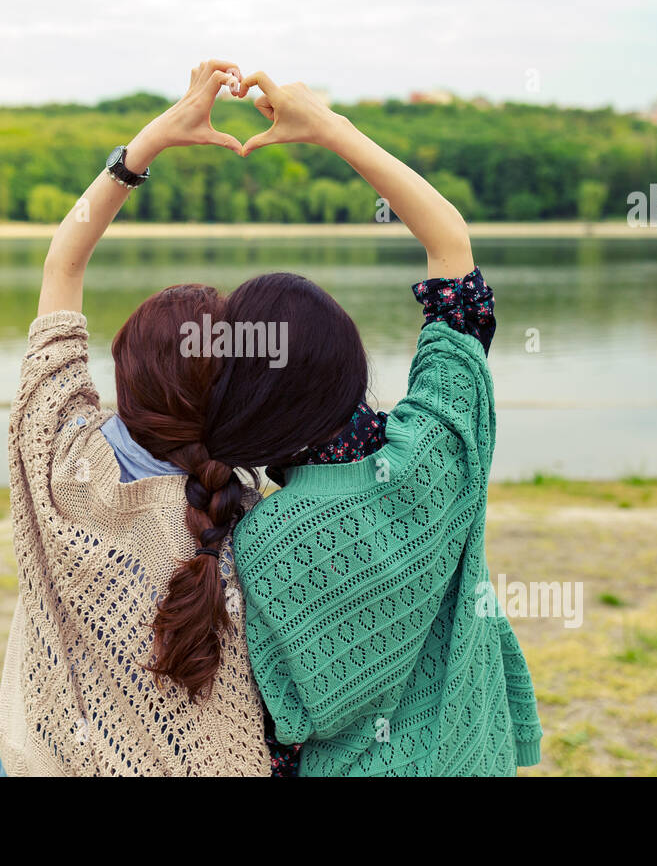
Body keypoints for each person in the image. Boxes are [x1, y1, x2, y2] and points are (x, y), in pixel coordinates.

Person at [201, 71, 545, 775]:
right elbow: (451, 247)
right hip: (469, 755)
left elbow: (281, 728)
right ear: (347, 362)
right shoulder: (433, 447)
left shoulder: (261, 538)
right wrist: (330, 128)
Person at [0, 59, 270, 776]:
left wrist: (145, 146)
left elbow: (64, 262)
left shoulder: (61, 459)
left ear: (124, 371)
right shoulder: (259, 521)